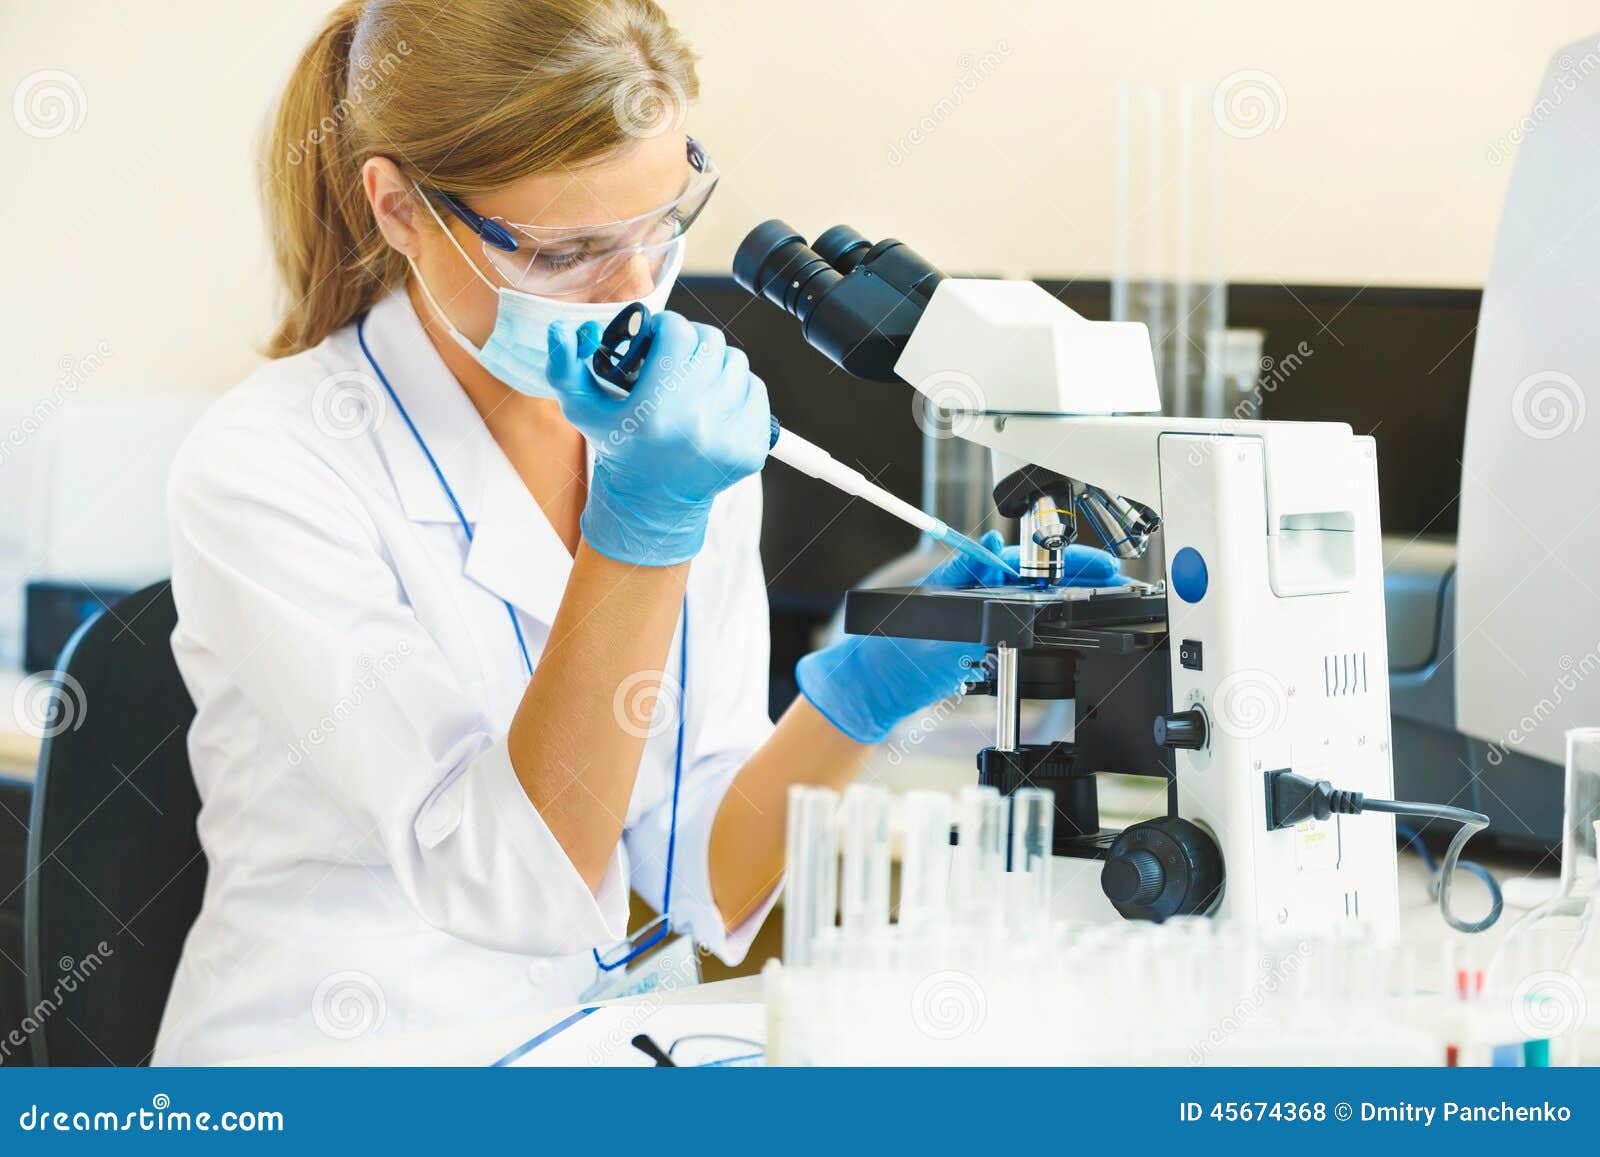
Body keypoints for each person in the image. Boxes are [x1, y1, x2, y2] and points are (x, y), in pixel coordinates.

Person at [153, 0, 1119, 1063]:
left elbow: (705, 870)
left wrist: (860, 690)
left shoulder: (671, 422)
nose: (633, 294)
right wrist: (643, 528)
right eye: (568, 252)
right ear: (398, 208)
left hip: (588, 1050)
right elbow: (511, 880)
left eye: (661, 224)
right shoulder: (269, 464)